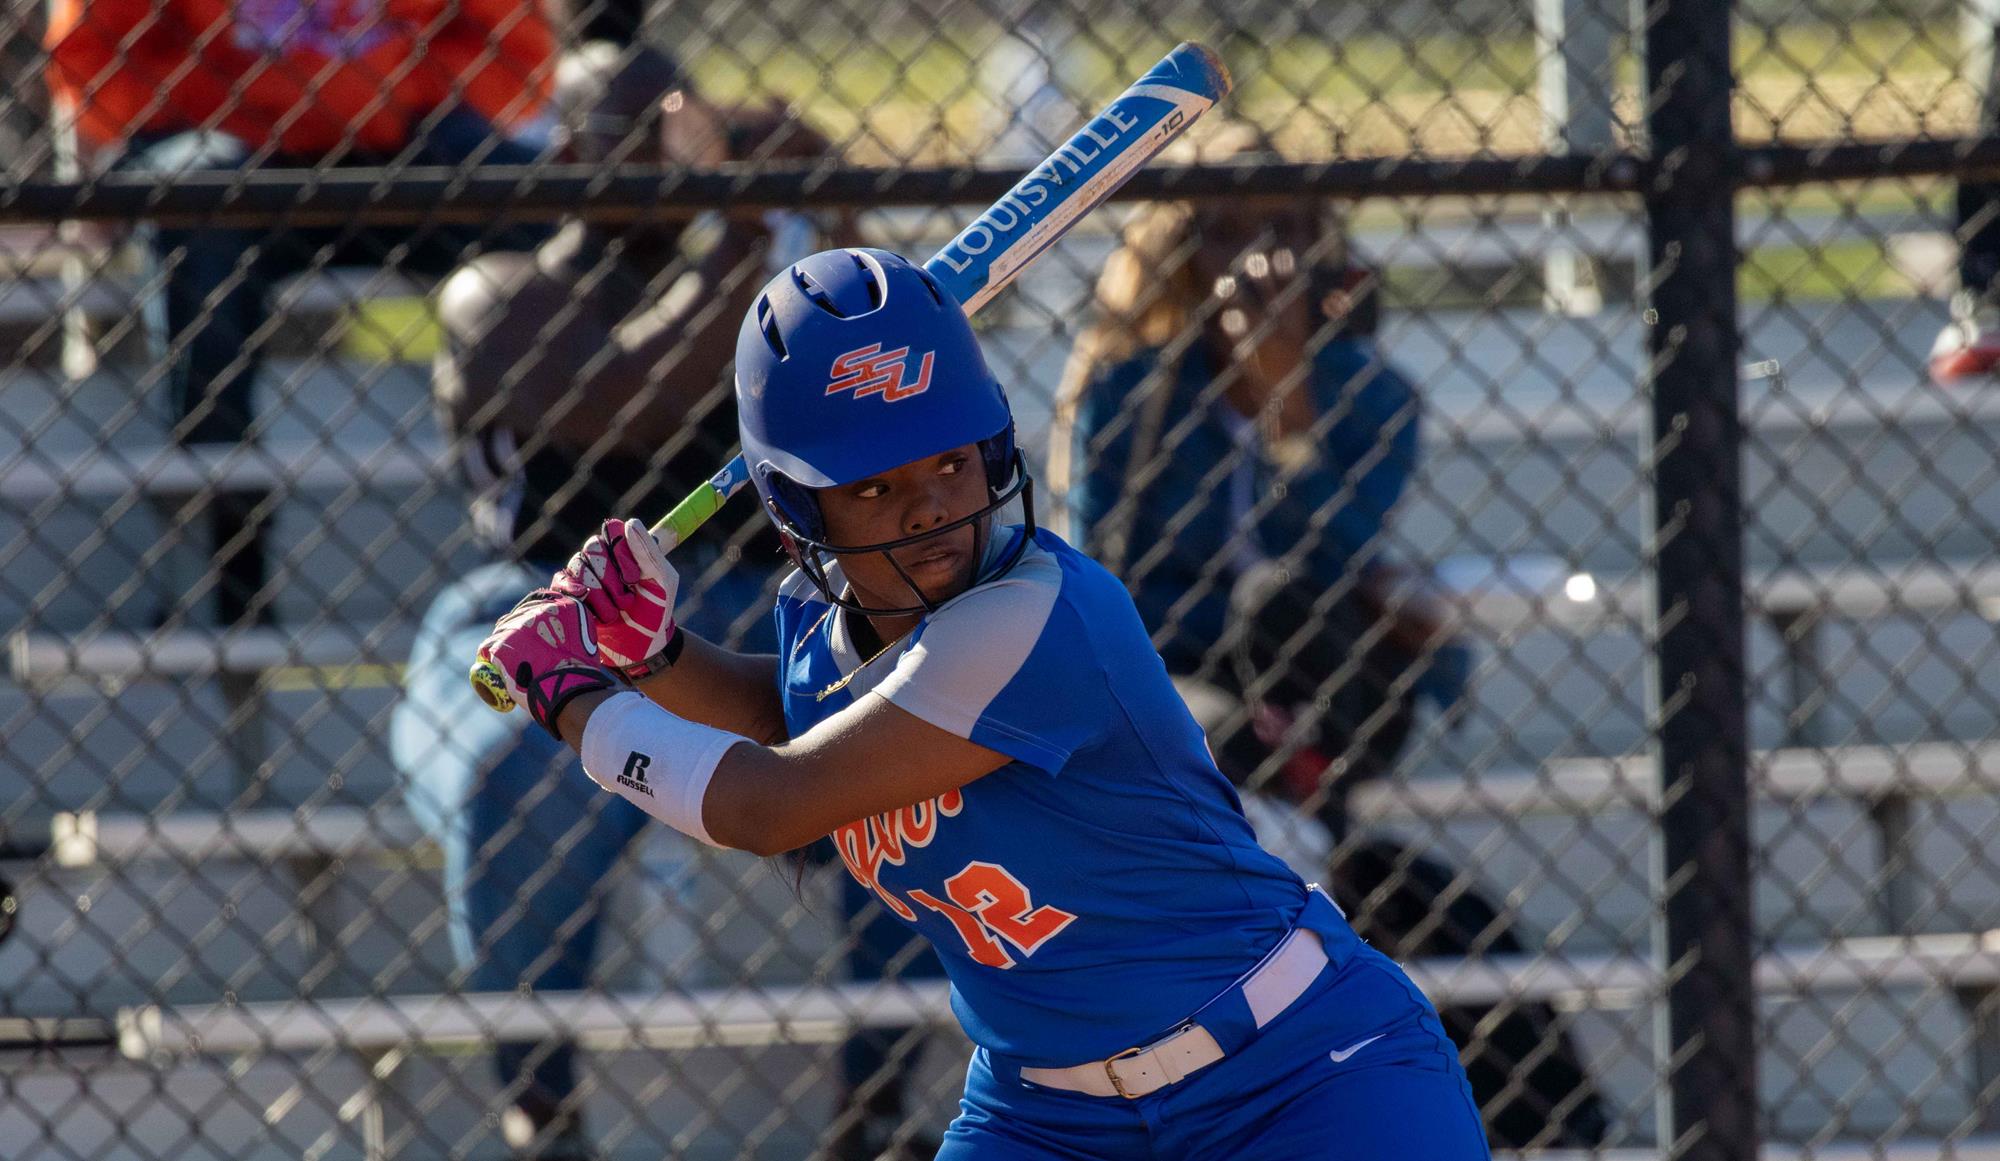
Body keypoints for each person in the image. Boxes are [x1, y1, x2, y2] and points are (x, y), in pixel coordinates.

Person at [473, 245, 1493, 1159]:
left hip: (1295, 1078)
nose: (928, 507)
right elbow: (791, 717)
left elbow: (767, 804)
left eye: (950, 462)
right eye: (873, 485)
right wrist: (650, 651)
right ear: (795, 508)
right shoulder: (815, 624)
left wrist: (573, 696)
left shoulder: (1038, 618)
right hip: (1049, 1117)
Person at [391, 43, 821, 1161]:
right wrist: (739, 220)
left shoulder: (750, 278)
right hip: (538, 598)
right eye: (647, 134)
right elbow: (615, 397)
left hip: (736, 594)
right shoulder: (499, 290)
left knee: (897, 708)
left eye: (691, 131)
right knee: (514, 761)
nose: (681, 158)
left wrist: (814, 199)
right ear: (573, 148)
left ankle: (874, 1106)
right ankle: (542, 1104)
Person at [43, 0, 557, 625]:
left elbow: (515, 42)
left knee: (542, 199)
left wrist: (387, 91)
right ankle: (225, 552)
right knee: (200, 197)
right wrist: (243, 98)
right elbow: (92, 55)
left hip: (396, 142)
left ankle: (562, 526)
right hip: (223, 152)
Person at [1050, 161, 1465, 835]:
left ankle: (1300, 821)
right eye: (1225, 232)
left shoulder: (1378, 398)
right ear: (1180, 255)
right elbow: (1109, 580)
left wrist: (1289, 416)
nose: (1262, 258)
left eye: (1288, 229)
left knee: (1281, 600)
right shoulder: (1131, 397)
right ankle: (1307, 837)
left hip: (1329, 673)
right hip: (1186, 669)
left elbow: (1340, 558)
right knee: (1215, 734)